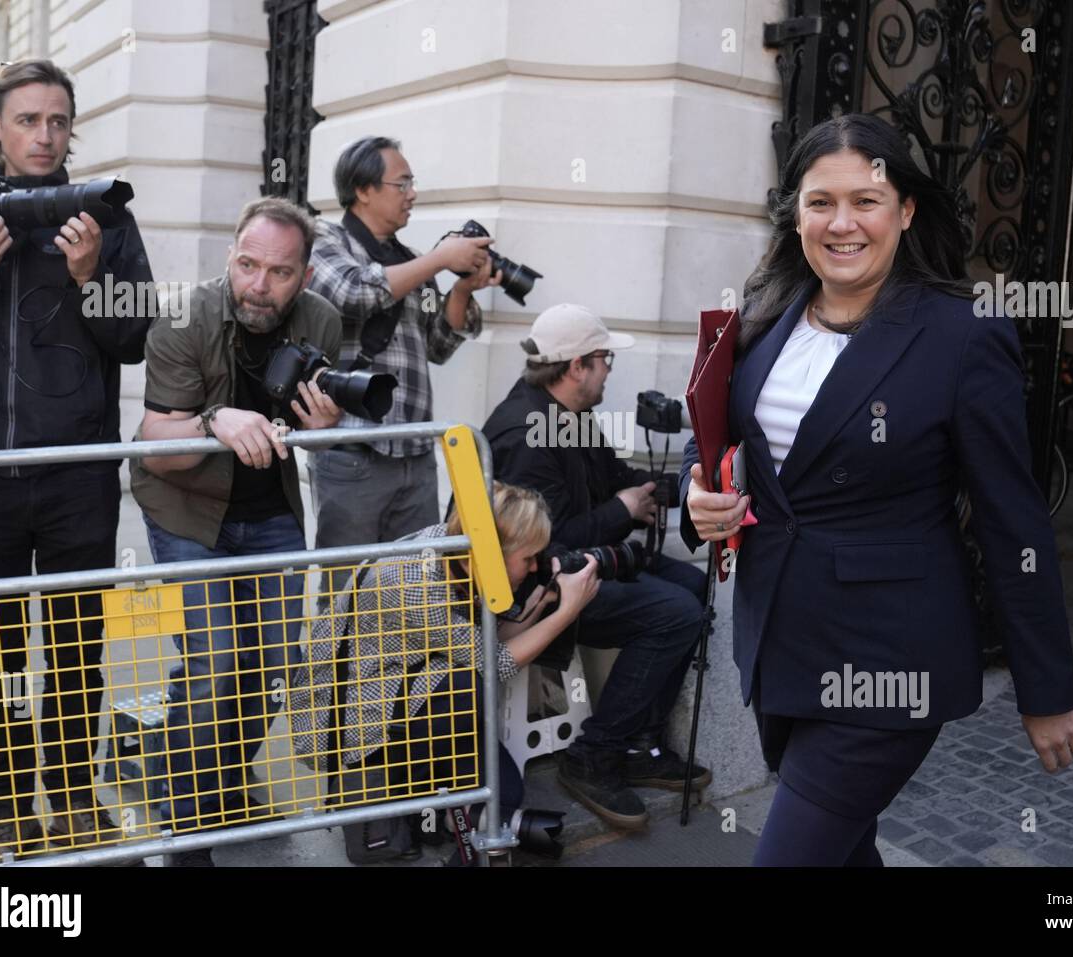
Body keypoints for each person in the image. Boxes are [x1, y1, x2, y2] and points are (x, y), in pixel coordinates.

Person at [680, 113, 1073, 866]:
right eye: (819, 202)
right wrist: (693, 497)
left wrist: (1047, 686)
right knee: (844, 848)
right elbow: (717, 446)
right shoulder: (764, 316)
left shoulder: (963, 334)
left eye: (866, 201)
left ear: (905, 210)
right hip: (779, 642)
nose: (842, 223)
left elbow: (1014, 524)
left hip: (889, 656)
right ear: (795, 212)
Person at [0, 58, 154, 859]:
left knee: (74, 650)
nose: (44, 134)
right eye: (28, 119)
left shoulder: (104, 216)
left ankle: (73, 794)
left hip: (77, 479)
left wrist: (92, 275)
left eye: (58, 120)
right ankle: (6, 807)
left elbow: (135, 339)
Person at [132, 196, 342, 866]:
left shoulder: (322, 321)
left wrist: (323, 432)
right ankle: (188, 825)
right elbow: (155, 446)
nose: (259, 283)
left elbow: (318, 443)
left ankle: (213, 776)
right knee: (215, 660)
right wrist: (211, 422)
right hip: (185, 506)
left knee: (276, 665)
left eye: (279, 272)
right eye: (247, 263)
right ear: (231, 255)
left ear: (304, 277)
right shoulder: (185, 314)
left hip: (269, 508)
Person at [482, 304, 710, 830]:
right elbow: (545, 549)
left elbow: (615, 477)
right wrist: (622, 512)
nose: (610, 368)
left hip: (574, 567)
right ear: (577, 366)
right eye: (604, 358)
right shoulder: (525, 432)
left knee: (692, 585)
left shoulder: (569, 416)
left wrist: (695, 488)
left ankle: (641, 743)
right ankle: (594, 753)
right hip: (538, 590)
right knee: (675, 612)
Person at [290, 481, 599, 860]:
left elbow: (490, 643)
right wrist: (568, 612)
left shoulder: (454, 547)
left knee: (508, 791)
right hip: (357, 723)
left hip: (412, 687)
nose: (536, 566)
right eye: (529, 557)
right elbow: (497, 662)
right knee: (468, 687)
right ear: (491, 553)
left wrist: (539, 601)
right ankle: (424, 803)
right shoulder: (416, 585)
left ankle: (446, 814)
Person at [306, 135, 501, 603]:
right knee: (345, 594)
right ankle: (333, 677)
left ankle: (394, 676)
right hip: (351, 451)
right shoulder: (324, 239)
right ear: (364, 189)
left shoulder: (412, 261)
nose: (412, 193)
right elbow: (353, 294)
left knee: (414, 592)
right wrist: (439, 257)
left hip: (414, 454)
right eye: (403, 182)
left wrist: (460, 290)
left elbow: (438, 344)